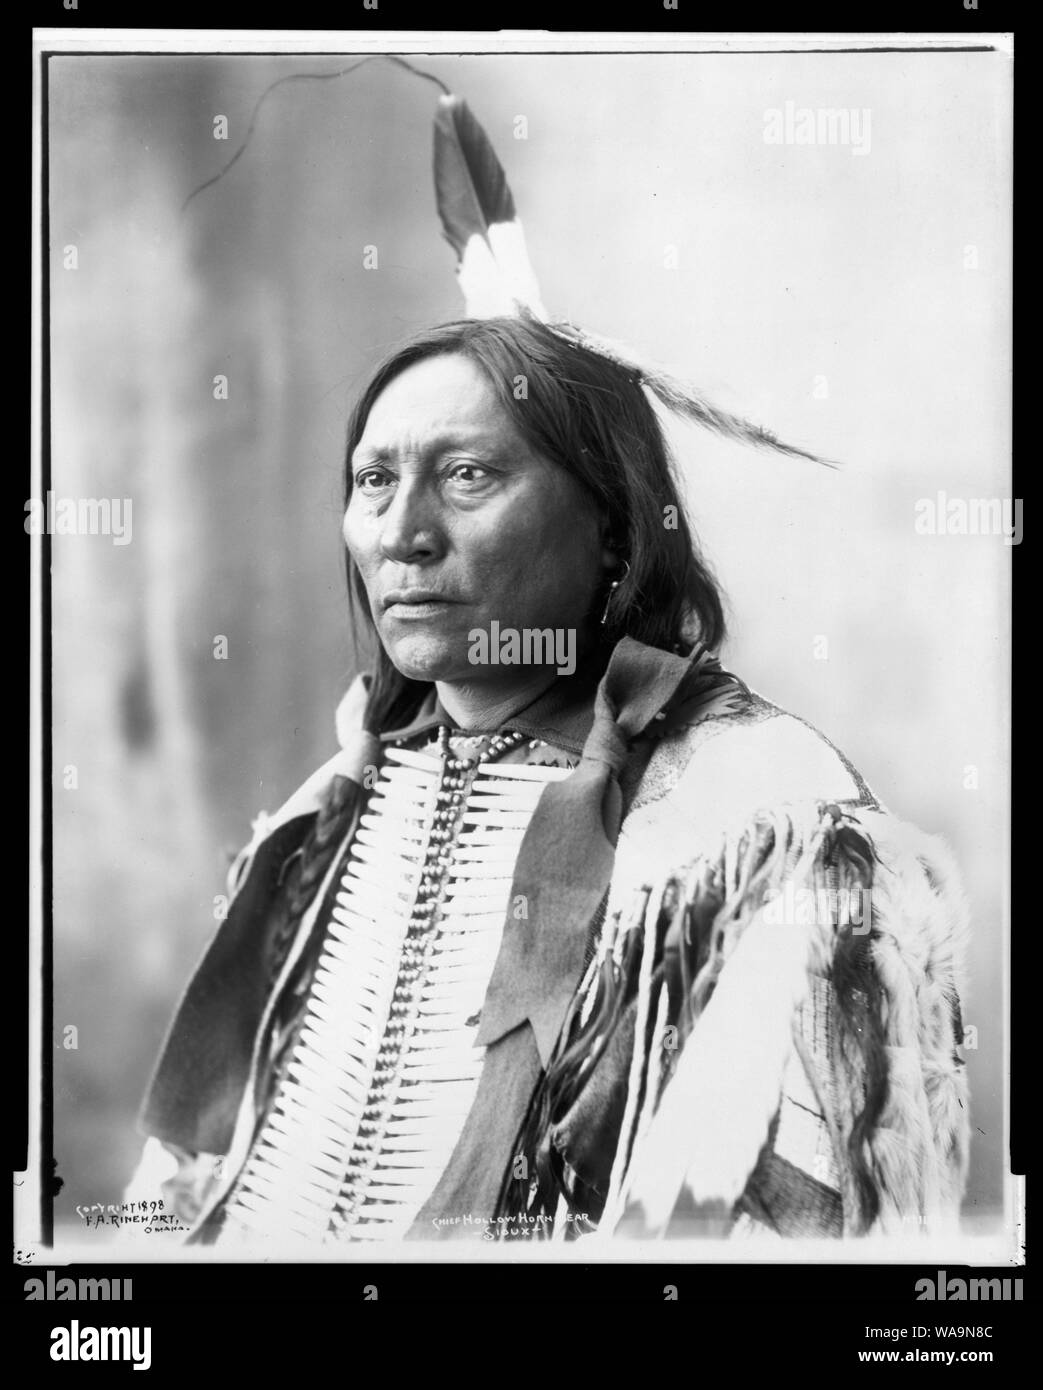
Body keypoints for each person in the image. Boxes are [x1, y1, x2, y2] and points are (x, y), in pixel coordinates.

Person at [129, 314, 969, 1247]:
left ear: (613, 529)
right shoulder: (331, 815)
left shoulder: (762, 820)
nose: (404, 534)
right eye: (374, 481)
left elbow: (824, 1225)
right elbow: (183, 1197)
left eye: (467, 477)